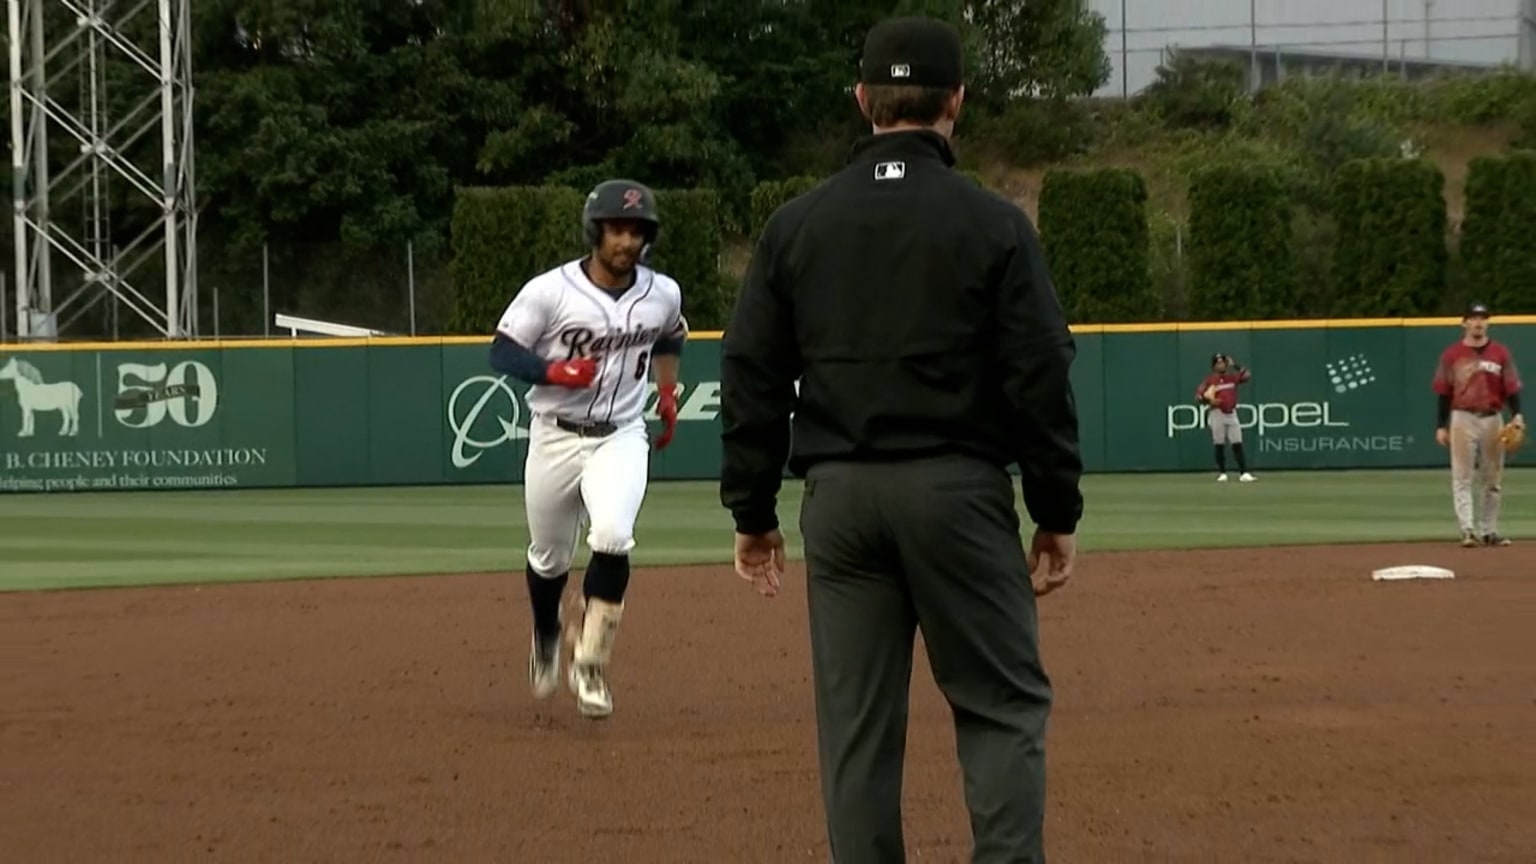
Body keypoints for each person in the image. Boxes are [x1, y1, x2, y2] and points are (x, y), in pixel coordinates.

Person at [718, 16, 1083, 863]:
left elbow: (751, 375)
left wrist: (752, 511)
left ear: (863, 100)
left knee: (856, 730)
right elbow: (1039, 373)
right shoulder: (994, 223)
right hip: (958, 494)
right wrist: (1055, 508)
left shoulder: (796, 225)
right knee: (999, 706)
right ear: (957, 101)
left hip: (842, 502)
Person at [486, 178, 686, 718]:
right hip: (554, 433)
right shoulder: (550, 291)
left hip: (620, 433)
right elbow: (502, 351)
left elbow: (671, 334)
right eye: (616, 229)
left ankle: (591, 662)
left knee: (613, 536)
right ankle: (547, 632)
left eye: (637, 231)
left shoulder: (662, 292)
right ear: (595, 231)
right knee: (549, 557)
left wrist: (667, 392)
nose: (627, 241)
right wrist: (553, 371)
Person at [1432, 301, 1523, 547]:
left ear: (1487, 323)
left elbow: (1511, 387)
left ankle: (1489, 531)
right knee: (1462, 477)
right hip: (1462, 417)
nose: (1478, 322)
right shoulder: (1452, 354)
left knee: (1492, 479)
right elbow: (1444, 391)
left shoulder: (1501, 353)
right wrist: (1441, 425)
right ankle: (1467, 530)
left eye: (1482, 318)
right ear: (1464, 323)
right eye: (1473, 318)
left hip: (1493, 418)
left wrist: (1517, 414)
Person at [1196, 353, 1255, 482]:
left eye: (1223, 362)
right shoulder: (1210, 380)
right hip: (1217, 413)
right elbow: (1199, 396)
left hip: (1231, 413)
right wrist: (1209, 401)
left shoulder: (1232, 378)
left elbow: (1247, 375)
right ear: (1214, 366)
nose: (1221, 365)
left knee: (1237, 442)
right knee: (1219, 444)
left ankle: (1244, 473)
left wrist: (1235, 365)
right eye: (1218, 363)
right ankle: (1222, 473)